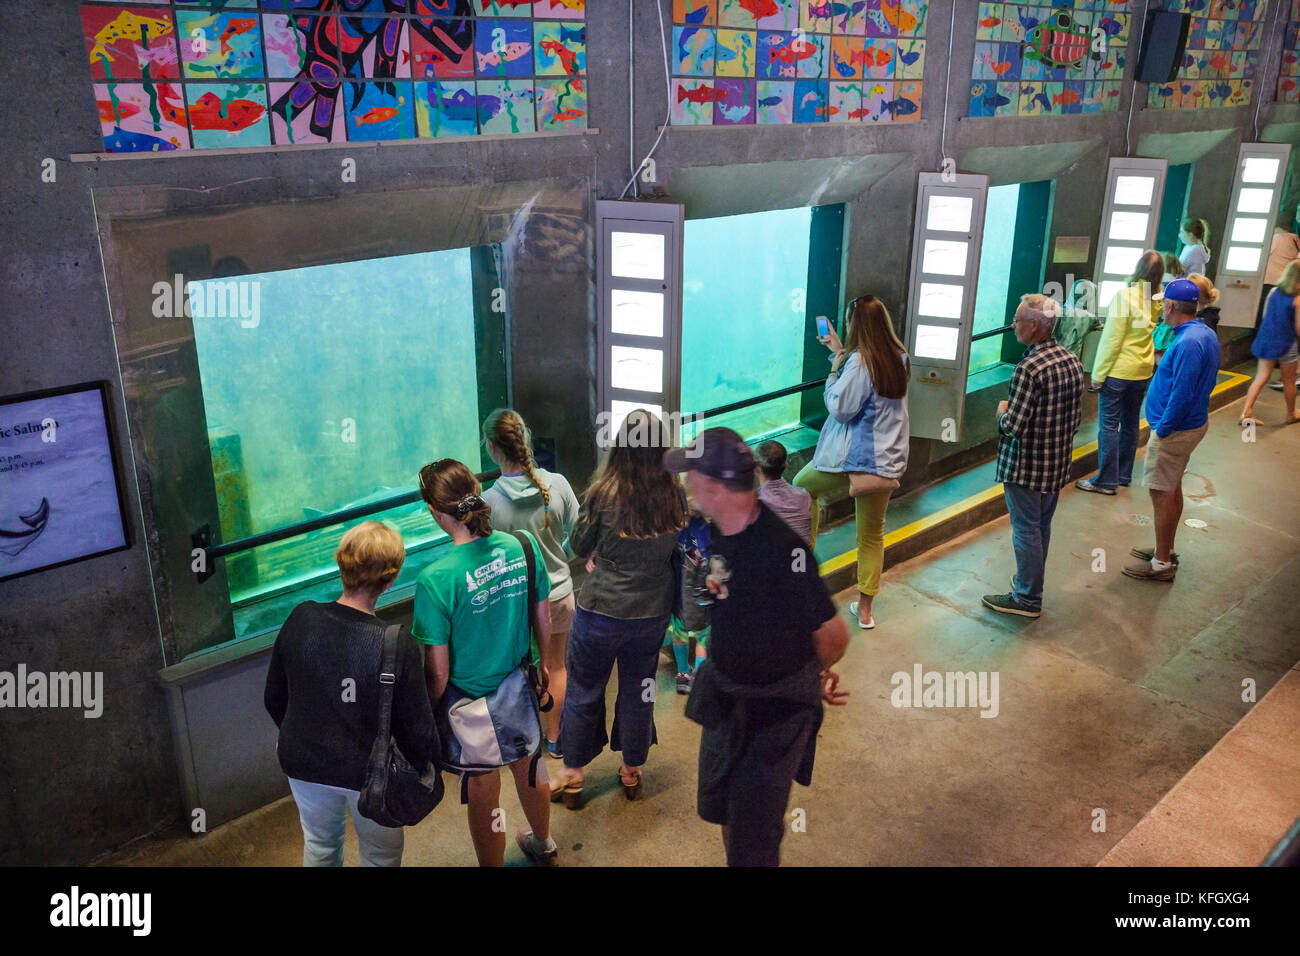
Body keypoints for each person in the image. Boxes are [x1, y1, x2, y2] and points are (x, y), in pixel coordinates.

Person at [664, 427, 851, 867]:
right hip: (727, 697)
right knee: (727, 814)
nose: (686, 484)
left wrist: (804, 673)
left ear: (715, 484)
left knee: (756, 841)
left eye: (692, 475)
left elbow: (835, 635)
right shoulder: (718, 534)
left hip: (772, 715)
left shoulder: (782, 551)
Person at [265, 521, 437, 867]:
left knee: (319, 844)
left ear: (341, 563)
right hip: (370, 772)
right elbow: (417, 727)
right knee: (380, 854)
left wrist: (292, 735)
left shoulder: (301, 617)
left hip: (303, 760)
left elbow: (274, 696)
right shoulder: (394, 642)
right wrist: (425, 766)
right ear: (391, 579)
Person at [412, 459, 557, 866]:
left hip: (469, 703)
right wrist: (544, 665)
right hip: (518, 684)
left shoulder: (436, 580)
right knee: (530, 766)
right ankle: (543, 843)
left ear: (435, 512)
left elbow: (438, 672)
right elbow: (542, 618)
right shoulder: (522, 546)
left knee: (483, 786)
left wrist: (428, 711)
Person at [550, 408, 686, 809]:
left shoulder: (602, 494)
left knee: (584, 688)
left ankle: (573, 775)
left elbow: (577, 544)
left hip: (601, 610)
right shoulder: (673, 493)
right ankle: (631, 769)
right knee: (639, 689)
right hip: (652, 611)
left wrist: (602, 555)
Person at [794, 295, 910, 630]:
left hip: (856, 461)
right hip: (887, 463)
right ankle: (866, 610)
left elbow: (841, 406)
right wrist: (840, 351)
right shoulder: (899, 357)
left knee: (801, 488)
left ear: (854, 324)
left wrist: (834, 368)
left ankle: (802, 567)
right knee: (872, 535)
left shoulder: (860, 363)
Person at [480, 409, 580, 760]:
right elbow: (579, 535)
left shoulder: (489, 503)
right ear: (527, 437)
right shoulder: (559, 484)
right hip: (559, 595)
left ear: (492, 448)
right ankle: (555, 738)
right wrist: (561, 555)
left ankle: (524, 741)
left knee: (521, 673)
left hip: (516, 604)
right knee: (557, 666)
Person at [983, 295, 1084, 618]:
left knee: (1025, 528)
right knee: (1041, 526)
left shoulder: (1029, 368)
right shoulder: (1070, 359)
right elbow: (1075, 418)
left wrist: (1001, 412)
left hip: (1025, 467)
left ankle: (1027, 597)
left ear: (1035, 325)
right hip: (1056, 463)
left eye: (1018, 320)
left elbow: (1013, 426)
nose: (1014, 325)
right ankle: (1030, 582)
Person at [1122, 279, 1220, 582]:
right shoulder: (1202, 333)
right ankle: (1165, 549)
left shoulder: (1189, 342)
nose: (1160, 308)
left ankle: (1161, 563)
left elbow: (1183, 391)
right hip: (1188, 425)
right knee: (1172, 486)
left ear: (1171, 306)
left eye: (1162, 303)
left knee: (1161, 492)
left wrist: (1163, 429)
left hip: (1175, 430)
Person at [1076, 250, 1161, 495]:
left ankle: (1105, 480)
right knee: (1131, 423)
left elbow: (1112, 339)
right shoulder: (1155, 299)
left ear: (1138, 269)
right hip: (1143, 370)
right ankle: (1123, 474)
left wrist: (1098, 373)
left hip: (1119, 371)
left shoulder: (1125, 297)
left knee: (1109, 426)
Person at [1239, 261, 1300, 427]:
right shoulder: (1297, 299)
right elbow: (1298, 327)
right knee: (1289, 380)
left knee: (1261, 376)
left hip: (1268, 338)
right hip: (1288, 343)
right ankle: (1291, 414)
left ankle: (1246, 412)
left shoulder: (1274, 291)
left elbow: (1266, 315)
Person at [666, 502, 712, 696]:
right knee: (703, 638)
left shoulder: (678, 531)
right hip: (702, 599)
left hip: (679, 600)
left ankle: (683, 674)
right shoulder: (708, 530)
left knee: (680, 634)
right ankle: (700, 680)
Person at [1264, 211, 1300, 387]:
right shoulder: (1295, 239)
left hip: (1273, 283)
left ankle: (1287, 375)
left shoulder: (1277, 238)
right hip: (1290, 284)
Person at [755, 440, 812, 545]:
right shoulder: (804, 495)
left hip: (775, 559)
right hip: (803, 559)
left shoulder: (755, 504)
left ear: (757, 468)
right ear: (786, 464)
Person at [1056, 277, 1104, 364]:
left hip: (1052, 356)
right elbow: (1105, 328)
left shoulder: (1057, 311)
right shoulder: (1090, 318)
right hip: (1072, 360)